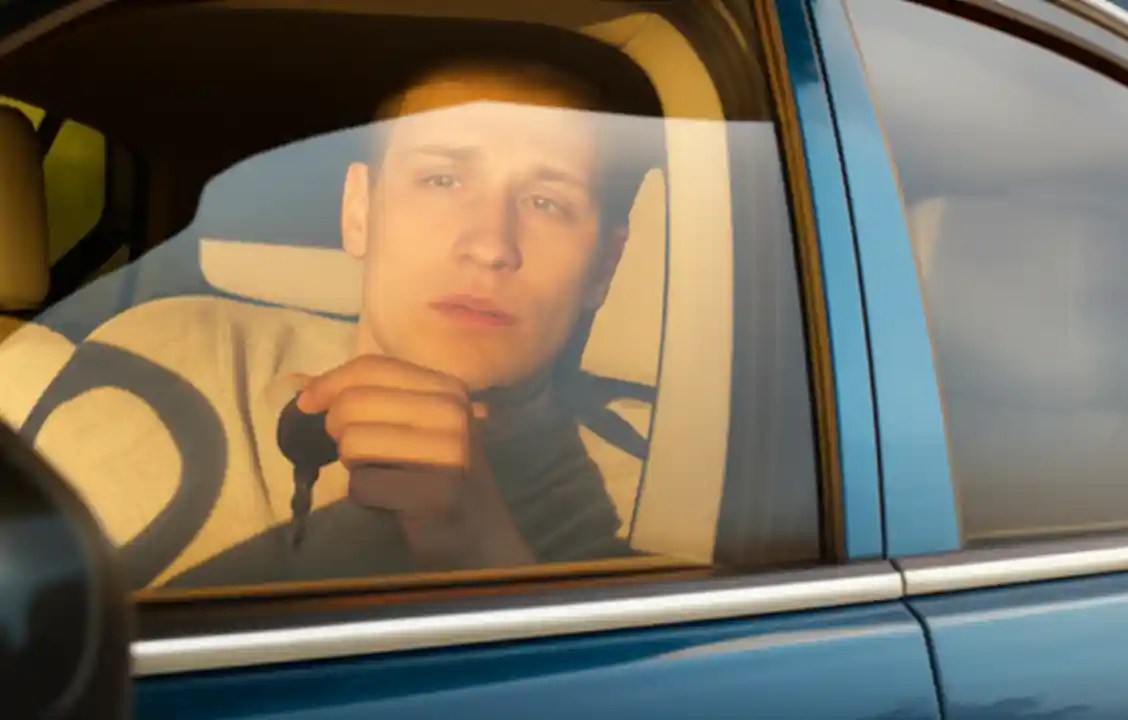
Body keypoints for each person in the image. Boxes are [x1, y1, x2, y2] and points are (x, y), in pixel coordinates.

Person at [18, 55, 657, 588]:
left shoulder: (666, 501)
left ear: (605, 264)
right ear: (359, 211)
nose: (490, 245)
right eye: (441, 180)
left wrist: (481, 552)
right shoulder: (174, 352)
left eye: (547, 202)